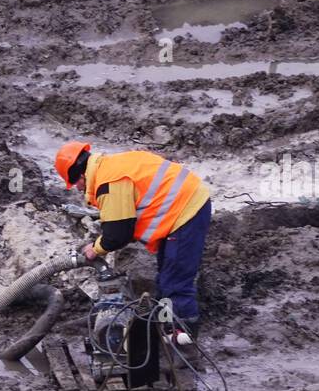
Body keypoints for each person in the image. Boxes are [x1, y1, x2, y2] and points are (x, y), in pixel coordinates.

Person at [54, 141, 212, 339]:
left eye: (75, 184)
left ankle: (183, 344)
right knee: (166, 276)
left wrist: (96, 249)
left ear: (81, 175)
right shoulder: (111, 166)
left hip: (186, 212)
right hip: (186, 205)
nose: (77, 189)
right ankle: (166, 329)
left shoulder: (108, 183)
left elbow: (118, 234)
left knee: (175, 283)